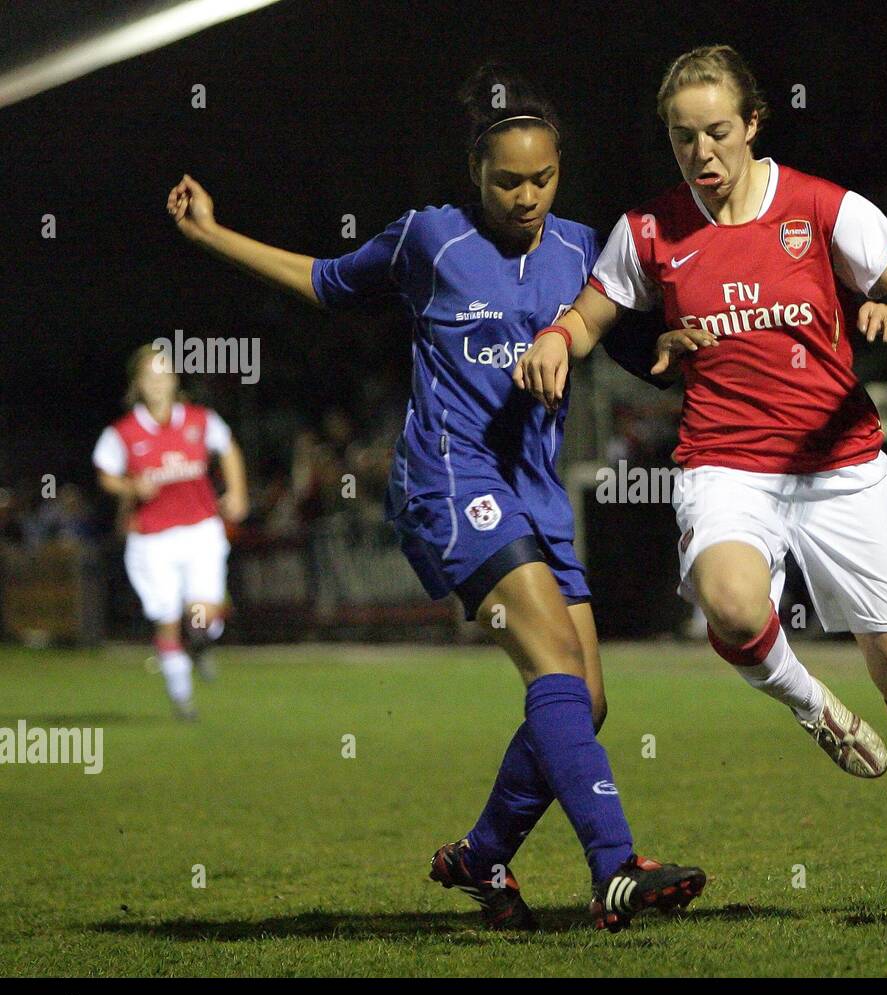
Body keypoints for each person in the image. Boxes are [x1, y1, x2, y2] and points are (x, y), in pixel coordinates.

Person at [165, 66, 704, 932]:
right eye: (507, 181)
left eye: (543, 178)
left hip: (536, 490)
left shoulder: (579, 248)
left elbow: (626, 339)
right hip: (450, 481)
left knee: (586, 700)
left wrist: (670, 347)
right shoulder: (430, 240)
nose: (527, 196)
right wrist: (214, 234)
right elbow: (326, 279)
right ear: (474, 173)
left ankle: (481, 856)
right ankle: (615, 867)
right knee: (558, 673)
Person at [516, 45, 887, 912]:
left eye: (717, 133)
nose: (701, 154)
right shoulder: (651, 230)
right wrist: (557, 338)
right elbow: (591, 312)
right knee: (732, 603)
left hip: (840, 463)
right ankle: (814, 705)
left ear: (753, 124)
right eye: (682, 137)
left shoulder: (818, 208)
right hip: (726, 460)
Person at [93, 346, 247, 719]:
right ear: (138, 384)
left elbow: (228, 449)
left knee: (202, 615)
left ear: (175, 379)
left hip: (200, 530)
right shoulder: (124, 433)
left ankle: (201, 645)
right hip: (152, 538)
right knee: (166, 618)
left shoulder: (198, 419)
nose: (158, 384)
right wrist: (131, 488)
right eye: (150, 377)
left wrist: (238, 492)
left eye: (164, 375)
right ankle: (181, 696)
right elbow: (105, 474)